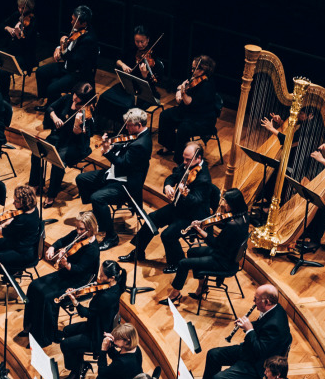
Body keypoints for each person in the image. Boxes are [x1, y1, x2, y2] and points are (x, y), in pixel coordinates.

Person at [76, 107, 152, 251]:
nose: (127, 128)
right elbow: (123, 150)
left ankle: (111, 237)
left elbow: (123, 164)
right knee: (81, 179)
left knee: (97, 198)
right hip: (114, 174)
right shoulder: (136, 136)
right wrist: (111, 143)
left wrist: (108, 151)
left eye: (129, 125)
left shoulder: (141, 144)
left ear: (139, 125)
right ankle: (98, 216)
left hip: (125, 183)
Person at [128, 140, 215, 265]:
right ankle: (138, 252)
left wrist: (185, 193)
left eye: (187, 159)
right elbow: (172, 177)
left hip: (193, 216)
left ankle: (177, 263)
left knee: (167, 235)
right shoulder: (187, 165)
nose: (184, 162)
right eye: (184, 158)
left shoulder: (204, 178)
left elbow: (195, 201)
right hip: (179, 208)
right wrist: (168, 186)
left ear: (198, 158)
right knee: (151, 219)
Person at [200, 283, 289, 379]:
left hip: (259, 363)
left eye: (256, 299)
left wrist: (249, 330)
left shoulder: (275, 323)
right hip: (249, 351)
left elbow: (260, 351)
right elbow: (261, 327)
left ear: (266, 301)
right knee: (213, 354)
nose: (253, 301)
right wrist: (247, 324)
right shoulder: (273, 309)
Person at [22, 213, 102, 346]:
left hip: (79, 281)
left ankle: (47, 336)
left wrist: (66, 264)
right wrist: (52, 247)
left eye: (81, 229)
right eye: (77, 228)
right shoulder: (77, 235)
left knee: (48, 297)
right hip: (67, 273)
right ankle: (30, 326)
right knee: (34, 285)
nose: (78, 231)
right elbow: (61, 241)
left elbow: (80, 269)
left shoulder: (93, 249)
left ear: (91, 228)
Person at [159, 188, 250, 304]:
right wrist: (210, 222)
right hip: (229, 254)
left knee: (183, 263)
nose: (224, 204)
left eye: (226, 202)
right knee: (192, 252)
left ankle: (175, 294)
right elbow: (227, 231)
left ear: (232, 204)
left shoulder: (233, 225)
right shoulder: (244, 217)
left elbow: (215, 244)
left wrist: (200, 231)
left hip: (223, 261)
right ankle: (202, 287)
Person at [0, 184, 42, 298]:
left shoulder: (22, 220)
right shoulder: (34, 208)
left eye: (16, 201)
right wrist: (10, 221)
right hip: (28, 246)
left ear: (24, 202)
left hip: (23, 253)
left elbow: (2, 232)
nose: (13, 203)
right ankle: (11, 272)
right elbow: (18, 219)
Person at [38, 82, 95, 197]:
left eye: (78, 97)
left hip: (75, 144)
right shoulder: (68, 98)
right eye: (75, 94)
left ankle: (51, 195)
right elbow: (50, 107)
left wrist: (76, 126)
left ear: (85, 99)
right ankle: (36, 184)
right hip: (59, 136)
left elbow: (81, 134)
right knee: (37, 151)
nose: (74, 98)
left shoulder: (87, 113)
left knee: (57, 161)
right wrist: (55, 118)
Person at [158, 55, 220, 155]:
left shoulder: (207, 85)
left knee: (183, 129)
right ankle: (169, 146)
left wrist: (182, 93)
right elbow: (183, 90)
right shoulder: (195, 77)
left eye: (194, 68)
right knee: (165, 115)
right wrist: (180, 89)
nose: (191, 71)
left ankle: (181, 159)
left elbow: (189, 102)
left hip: (201, 118)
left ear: (202, 70)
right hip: (188, 111)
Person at [38, 5, 100, 101]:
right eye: (72, 19)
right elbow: (69, 44)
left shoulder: (89, 40)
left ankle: (53, 106)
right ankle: (47, 100)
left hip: (77, 73)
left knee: (52, 88)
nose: (71, 22)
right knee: (40, 72)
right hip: (68, 66)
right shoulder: (78, 29)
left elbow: (74, 58)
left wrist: (62, 50)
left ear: (83, 23)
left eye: (74, 21)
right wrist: (59, 47)